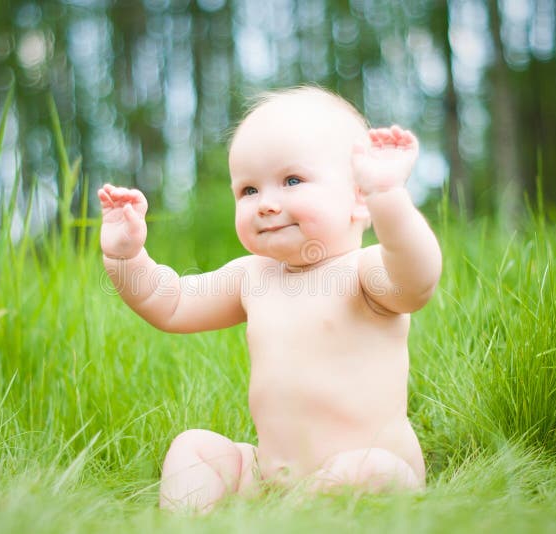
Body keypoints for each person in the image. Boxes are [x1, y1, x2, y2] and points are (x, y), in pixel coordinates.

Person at [98, 86, 442, 513]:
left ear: (358, 198)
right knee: (195, 449)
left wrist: (388, 198)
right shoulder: (253, 276)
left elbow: (417, 280)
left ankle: (308, 508)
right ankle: (191, 523)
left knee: (372, 472)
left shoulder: (365, 271)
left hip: (365, 468)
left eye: (292, 180)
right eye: (248, 190)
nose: (265, 204)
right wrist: (126, 256)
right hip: (273, 477)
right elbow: (170, 302)